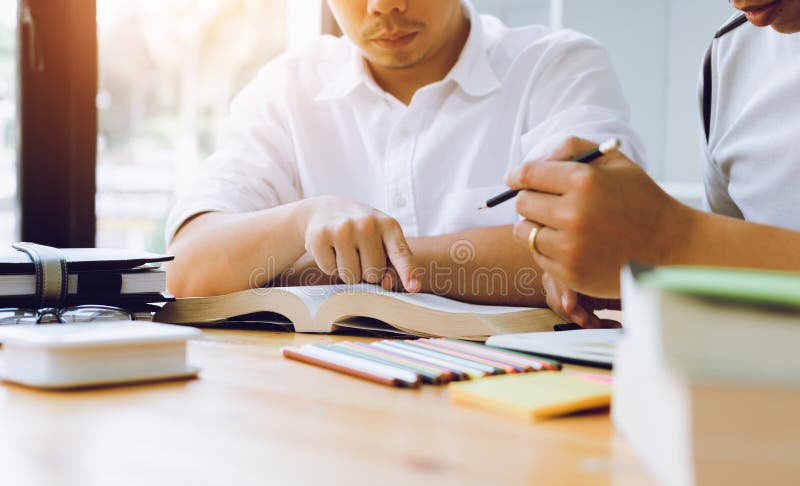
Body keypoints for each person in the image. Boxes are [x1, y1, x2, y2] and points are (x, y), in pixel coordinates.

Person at [165, 0, 645, 307]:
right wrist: (303, 222)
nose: (384, 6)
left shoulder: (555, 67)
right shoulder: (287, 89)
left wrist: (337, 266)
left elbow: (605, 247)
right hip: (324, 400)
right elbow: (188, 269)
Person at [509, 0, 800, 326]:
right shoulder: (728, 57)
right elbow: (733, 278)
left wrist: (677, 243)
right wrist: (645, 270)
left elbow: (703, 250)